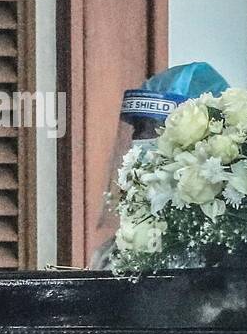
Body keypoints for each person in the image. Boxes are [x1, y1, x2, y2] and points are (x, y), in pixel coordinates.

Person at [90, 62, 229, 269]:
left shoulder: (223, 249)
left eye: (157, 131)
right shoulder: (116, 251)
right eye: (139, 130)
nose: (141, 142)